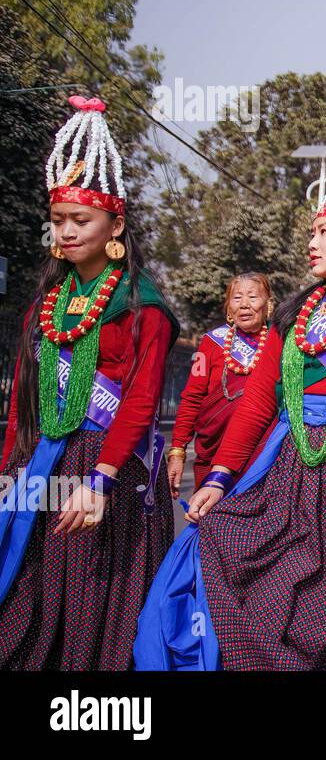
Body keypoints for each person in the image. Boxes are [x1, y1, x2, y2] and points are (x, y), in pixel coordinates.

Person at [135, 141, 326, 669]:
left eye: (323, 231)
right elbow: (257, 402)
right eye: (312, 232)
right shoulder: (296, 312)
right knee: (271, 577)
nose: (312, 242)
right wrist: (220, 476)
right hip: (292, 464)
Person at [0, 96, 178, 669]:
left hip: (111, 473)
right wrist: (8, 471)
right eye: (58, 221)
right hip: (44, 461)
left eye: (82, 220)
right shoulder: (45, 306)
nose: (68, 232)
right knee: (31, 588)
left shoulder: (141, 308)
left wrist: (100, 480)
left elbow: (143, 399)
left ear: (116, 225)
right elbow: (23, 400)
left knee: (92, 592)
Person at [168, 273, 273, 494]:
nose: (245, 304)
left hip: (263, 456)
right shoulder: (211, 342)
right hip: (211, 453)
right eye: (237, 298)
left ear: (268, 305)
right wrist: (177, 450)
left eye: (253, 297)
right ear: (228, 308)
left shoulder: (279, 343)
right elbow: (192, 398)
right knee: (209, 519)